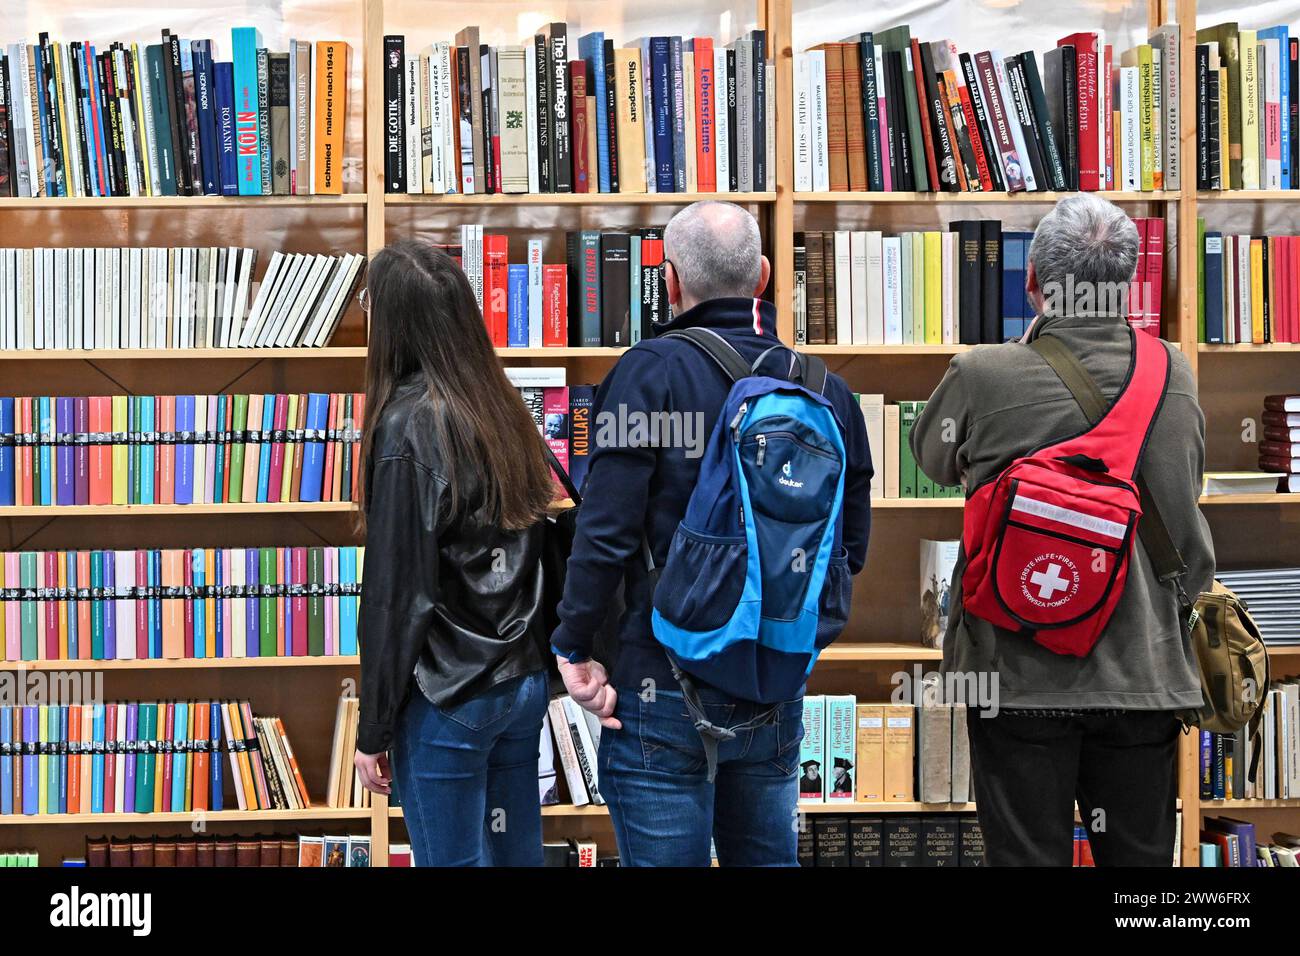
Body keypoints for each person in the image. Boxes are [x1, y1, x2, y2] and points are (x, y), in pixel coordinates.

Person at [552, 201, 874, 866]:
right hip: (775, 681)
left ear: (668, 282)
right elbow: (852, 549)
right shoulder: (825, 390)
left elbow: (604, 533)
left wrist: (574, 646)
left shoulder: (649, 372)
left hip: (660, 681)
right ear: (761, 276)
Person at [911, 194, 1214, 866]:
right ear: (1130, 281)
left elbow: (931, 460)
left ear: (1032, 281)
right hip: (1142, 669)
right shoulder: (1175, 369)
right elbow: (1185, 500)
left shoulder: (981, 373)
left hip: (1014, 674)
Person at [352, 239, 557, 867]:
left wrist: (374, 728)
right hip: (520, 681)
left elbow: (397, 594)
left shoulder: (407, 424)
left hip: (451, 695)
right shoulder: (501, 407)